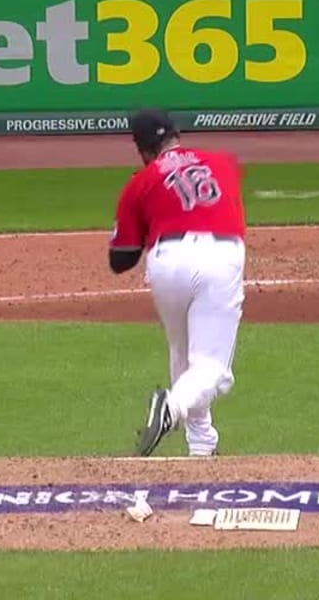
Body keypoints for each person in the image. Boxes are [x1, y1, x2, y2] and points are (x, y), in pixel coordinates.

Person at [108, 109, 246, 457]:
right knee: (211, 368)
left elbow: (120, 260)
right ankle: (170, 408)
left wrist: (144, 213)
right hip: (219, 255)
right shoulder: (223, 162)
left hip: (166, 262)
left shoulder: (139, 182)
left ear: (142, 150)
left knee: (184, 358)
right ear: (176, 134)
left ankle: (201, 445)